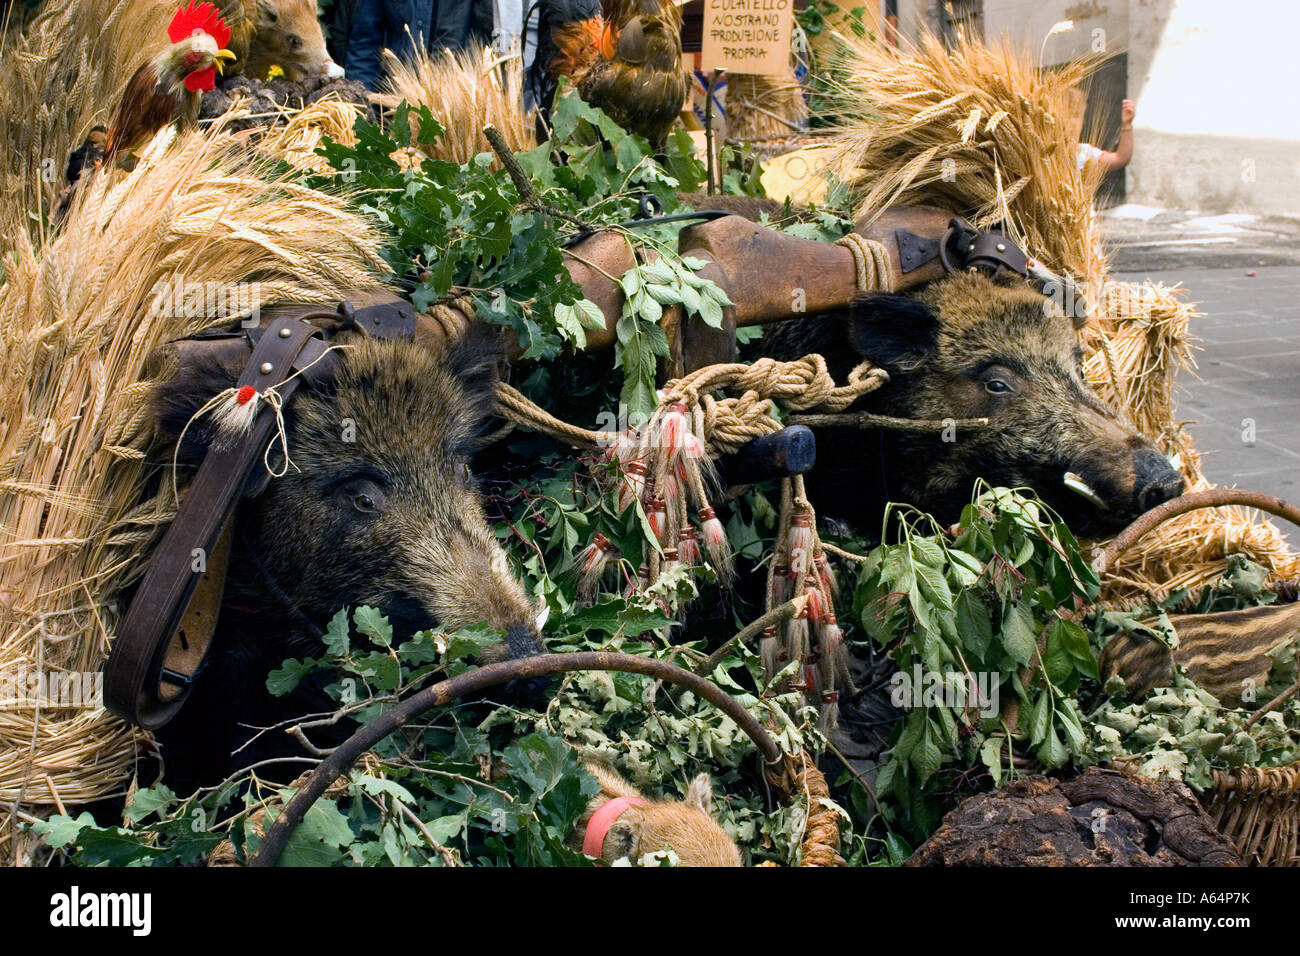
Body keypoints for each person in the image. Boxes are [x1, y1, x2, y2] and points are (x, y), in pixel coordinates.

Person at [1078, 97, 1135, 172]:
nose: (1072, 122)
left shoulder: (1084, 152)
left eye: (1077, 115)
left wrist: (1126, 124)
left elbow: (1120, 158)